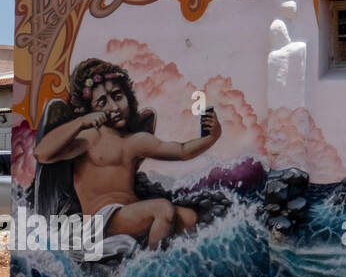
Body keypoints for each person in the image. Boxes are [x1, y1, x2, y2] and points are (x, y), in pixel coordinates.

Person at [32, 58, 222, 249]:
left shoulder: (136, 141)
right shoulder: (89, 138)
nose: (114, 108)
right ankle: (152, 268)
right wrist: (81, 123)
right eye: (102, 102)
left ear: (127, 96)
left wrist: (211, 138)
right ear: (90, 110)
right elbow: (42, 154)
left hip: (131, 213)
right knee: (162, 209)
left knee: (189, 218)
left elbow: (182, 152)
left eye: (117, 96)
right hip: (100, 221)